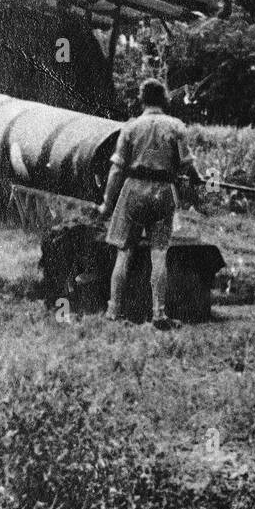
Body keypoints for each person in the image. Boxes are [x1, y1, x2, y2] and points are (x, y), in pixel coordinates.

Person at [98, 79, 203, 328]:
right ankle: (159, 313)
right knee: (159, 254)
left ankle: (114, 311)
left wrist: (107, 203)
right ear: (164, 99)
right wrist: (199, 180)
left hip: (133, 190)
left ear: (142, 99)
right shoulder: (176, 126)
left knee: (123, 251)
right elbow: (189, 166)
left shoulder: (131, 128)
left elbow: (116, 171)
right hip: (163, 193)